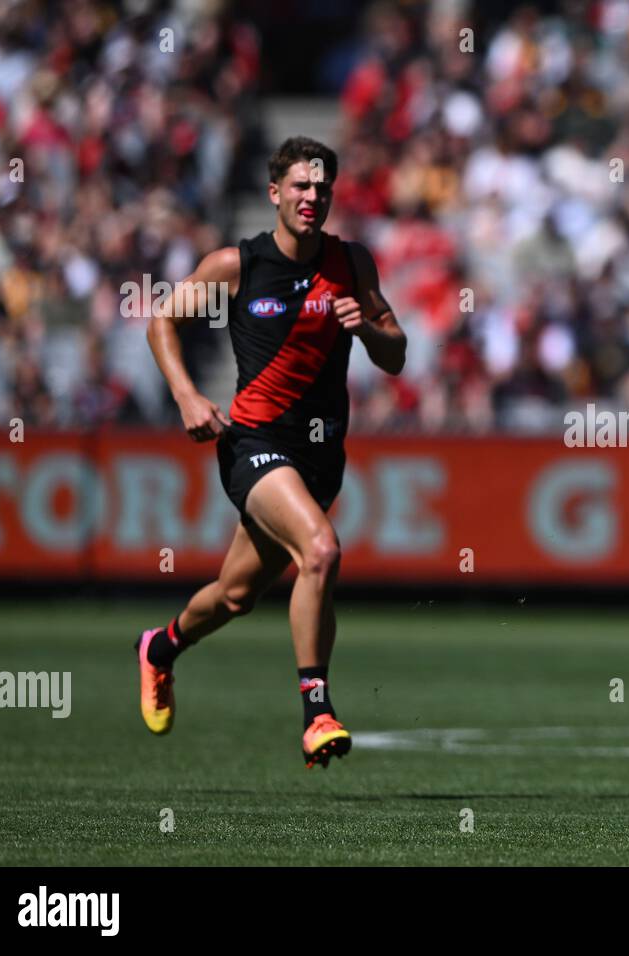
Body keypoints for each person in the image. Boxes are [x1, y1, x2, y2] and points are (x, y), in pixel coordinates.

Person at [141, 137, 407, 768]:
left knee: (235, 596)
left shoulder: (352, 262)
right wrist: (186, 396)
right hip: (252, 446)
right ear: (275, 194)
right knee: (321, 549)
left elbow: (396, 353)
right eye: (300, 187)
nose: (312, 197)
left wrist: (366, 328)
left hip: (319, 458)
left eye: (321, 189)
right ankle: (317, 713)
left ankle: (160, 649)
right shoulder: (238, 265)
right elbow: (161, 320)